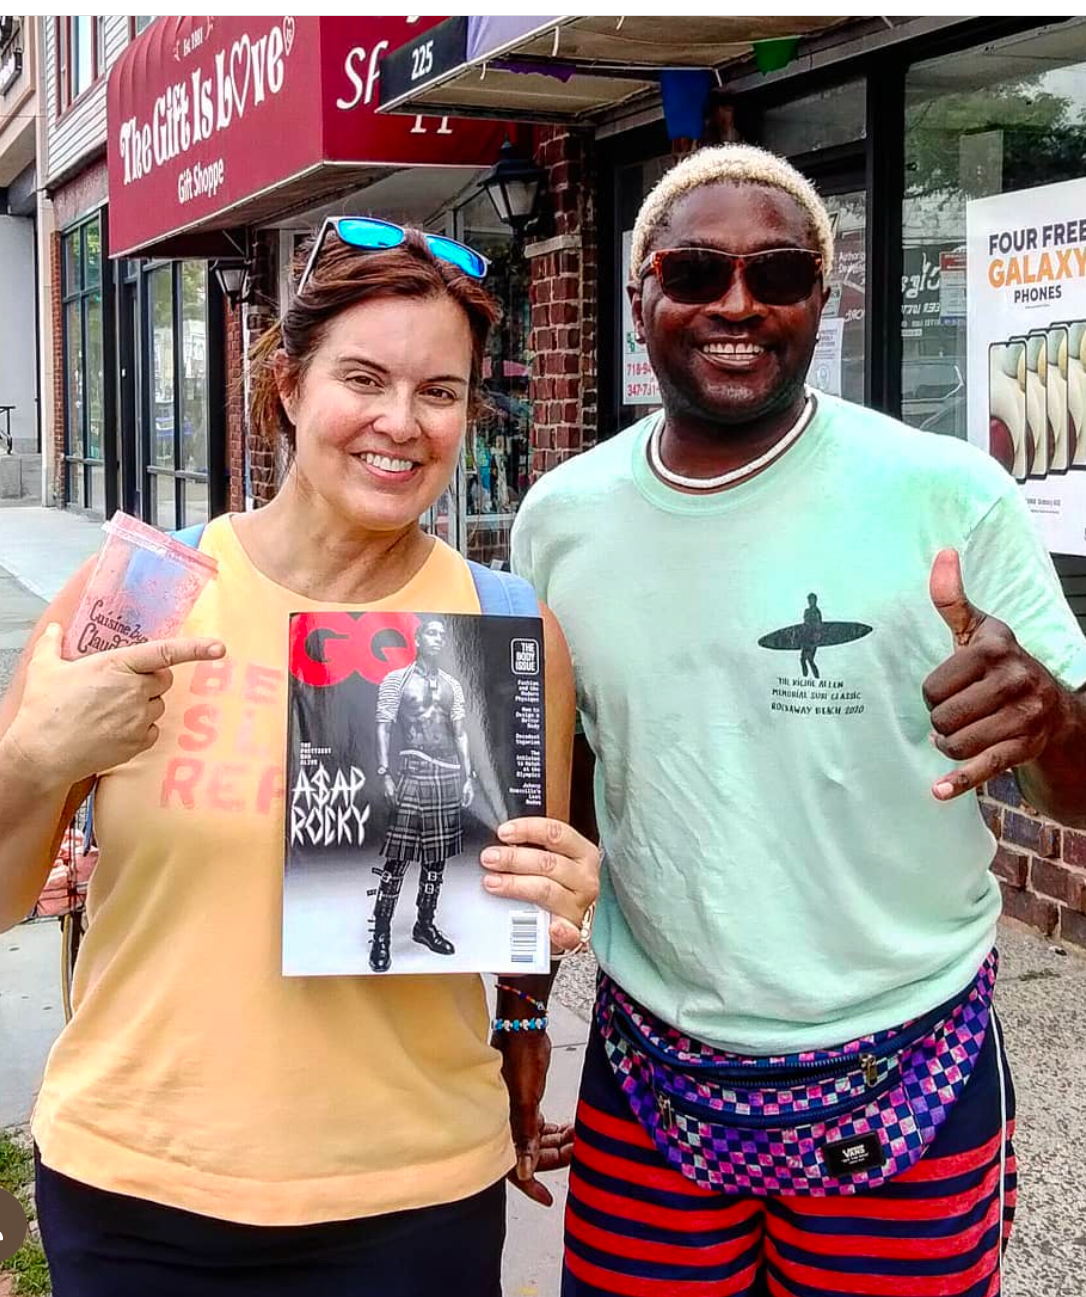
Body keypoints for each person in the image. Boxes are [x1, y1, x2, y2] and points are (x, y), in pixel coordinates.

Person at [511, 145, 1086, 1295]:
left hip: (910, 1054)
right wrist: (516, 1013)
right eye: (696, 270)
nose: (737, 303)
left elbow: (1078, 791)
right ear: (642, 298)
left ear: (821, 302)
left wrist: (1052, 719)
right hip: (652, 1069)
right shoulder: (560, 521)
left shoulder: (945, 493)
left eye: (778, 274)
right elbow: (552, 795)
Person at [0, 220, 599, 1296]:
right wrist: (32, 765)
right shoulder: (137, 594)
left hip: (412, 1198)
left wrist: (549, 908)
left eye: (441, 392)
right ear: (286, 382)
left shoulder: (502, 625)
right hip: (138, 1189)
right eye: (362, 378)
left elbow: (517, 914)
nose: (400, 423)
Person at [372, 617, 471, 971]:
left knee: (436, 860)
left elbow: (460, 732)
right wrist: (384, 771)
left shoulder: (452, 685)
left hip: (447, 773)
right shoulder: (396, 681)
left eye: (443, 635)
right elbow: (383, 725)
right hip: (413, 769)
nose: (438, 639)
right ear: (416, 638)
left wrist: (467, 775)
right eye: (431, 632)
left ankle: (424, 925)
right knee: (397, 860)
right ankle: (381, 933)